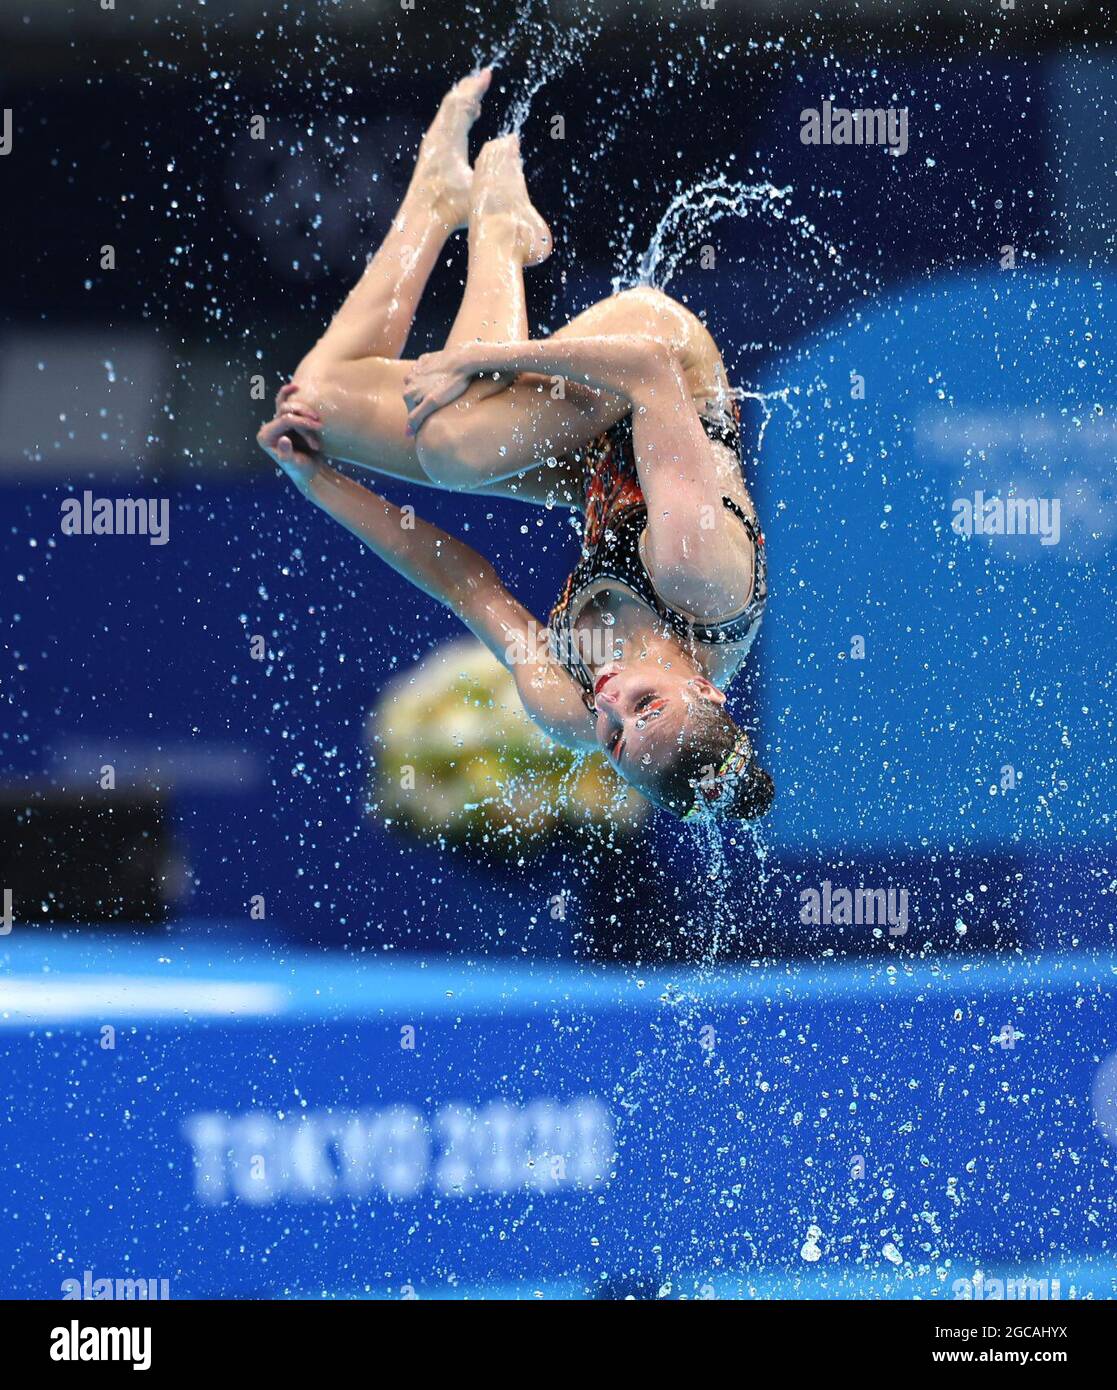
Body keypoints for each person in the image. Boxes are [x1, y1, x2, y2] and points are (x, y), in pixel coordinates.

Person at [257, 70, 772, 821]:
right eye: (646, 707)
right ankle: (498, 228)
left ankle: (436, 198)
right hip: (658, 374)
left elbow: (466, 583)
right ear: (706, 688)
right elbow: (651, 371)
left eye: (617, 739)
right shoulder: (702, 582)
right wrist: (491, 358)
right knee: (457, 444)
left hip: (598, 464)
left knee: (320, 407)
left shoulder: (566, 710)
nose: (611, 707)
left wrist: (316, 483)